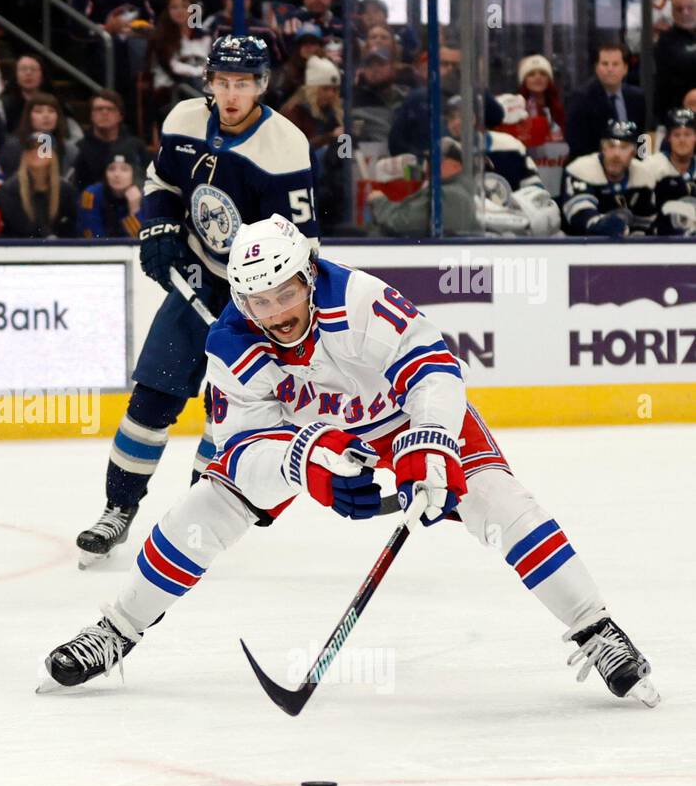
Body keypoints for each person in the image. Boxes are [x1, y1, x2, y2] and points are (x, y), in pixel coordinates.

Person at [41, 213, 660, 711]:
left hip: (401, 420)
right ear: (240, 299)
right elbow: (241, 450)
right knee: (205, 508)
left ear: (309, 275)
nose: (277, 312)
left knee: (500, 503)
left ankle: (597, 630)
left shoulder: (359, 300)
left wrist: (431, 447)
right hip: (307, 434)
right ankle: (116, 630)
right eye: (260, 301)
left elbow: (434, 371)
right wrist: (304, 463)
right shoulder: (231, 340)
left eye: (286, 292)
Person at [75, 35, 317, 567]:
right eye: (223, 83)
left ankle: (191, 518)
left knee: (224, 416)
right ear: (209, 83)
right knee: (151, 401)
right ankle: (118, 509)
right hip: (197, 278)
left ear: (262, 85)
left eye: (244, 83)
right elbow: (162, 179)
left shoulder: (285, 146)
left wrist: (271, 307)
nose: (232, 95)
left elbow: (300, 244)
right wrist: (159, 223)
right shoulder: (185, 119)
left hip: (257, 300)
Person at [366, 137, 481, 237]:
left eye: (436, 160)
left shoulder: (451, 196)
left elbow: (400, 222)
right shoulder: (452, 192)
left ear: (456, 166)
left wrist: (379, 201)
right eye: (428, 160)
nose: (428, 165)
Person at [561, 119, 656, 237]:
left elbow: (645, 226)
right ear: (603, 148)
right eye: (611, 146)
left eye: (623, 147)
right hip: (577, 246)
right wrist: (615, 226)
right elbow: (581, 217)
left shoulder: (643, 176)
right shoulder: (580, 169)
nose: (616, 154)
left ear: (633, 153)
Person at [564, 41, 646, 162]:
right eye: (605, 64)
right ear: (596, 68)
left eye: (615, 64)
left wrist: (642, 164)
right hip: (592, 167)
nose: (610, 69)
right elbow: (577, 145)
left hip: (630, 167)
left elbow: (641, 137)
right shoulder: (581, 98)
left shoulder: (637, 97)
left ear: (625, 68)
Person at [145, 0, 211, 126]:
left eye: (184, 6)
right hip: (170, 89)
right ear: (167, 11)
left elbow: (211, 63)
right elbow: (173, 69)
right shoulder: (160, 38)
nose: (179, 11)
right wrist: (199, 73)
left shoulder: (205, 36)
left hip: (200, 84)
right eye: (174, 7)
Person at [0, 133, 78, 239]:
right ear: (24, 154)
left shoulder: (65, 190)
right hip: (18, 249)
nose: (36, 152)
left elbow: (72, 226)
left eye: (43, 148)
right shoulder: (10, 189)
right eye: (31, 148)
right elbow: (19, 227)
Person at [70, 87, 145, 195]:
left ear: (120, 115)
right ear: (91, 115)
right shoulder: (79, 148)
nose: (104, 113)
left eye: (110, 109)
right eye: (99, 109)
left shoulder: (136, 146)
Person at [0, 91, 76, 177]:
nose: (46, 115)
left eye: (51, 111)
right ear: (28, 116)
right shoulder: (13, 147)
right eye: (39, 111)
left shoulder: (69, 150)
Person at [648, 107, 696, 234]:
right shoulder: (651, 165)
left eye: (687, 134)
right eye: (677, 134)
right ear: (668, 138)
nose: (682, 140)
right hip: (661, 239)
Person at [280, 54, 342, 152]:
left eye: (334, 90)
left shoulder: (334, 113)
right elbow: (294, 151)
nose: (331, 94)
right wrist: (330, 137)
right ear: (312, 89)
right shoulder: (294, 112)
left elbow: (345, 153)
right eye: (325, 89)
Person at [78, 147, 143, 238]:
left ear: (134, 174)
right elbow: (92, 238)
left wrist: (134, 211)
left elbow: (145, 243)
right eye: (111, 169)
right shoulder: (91, 195)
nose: (117, 174)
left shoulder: (146, 197)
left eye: (124, 169)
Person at [348, 47, 406, 145]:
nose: (375, 69)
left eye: (381, 64)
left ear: (392, 67)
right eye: (369, 65)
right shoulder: (354, 101)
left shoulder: (406, 96)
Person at [654, 0, 696, 120]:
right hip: (678, 108)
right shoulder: (666, 40)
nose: (685, 12)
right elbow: (667, 80)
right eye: (679, 9)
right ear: (672, 12)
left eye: (690, 8)